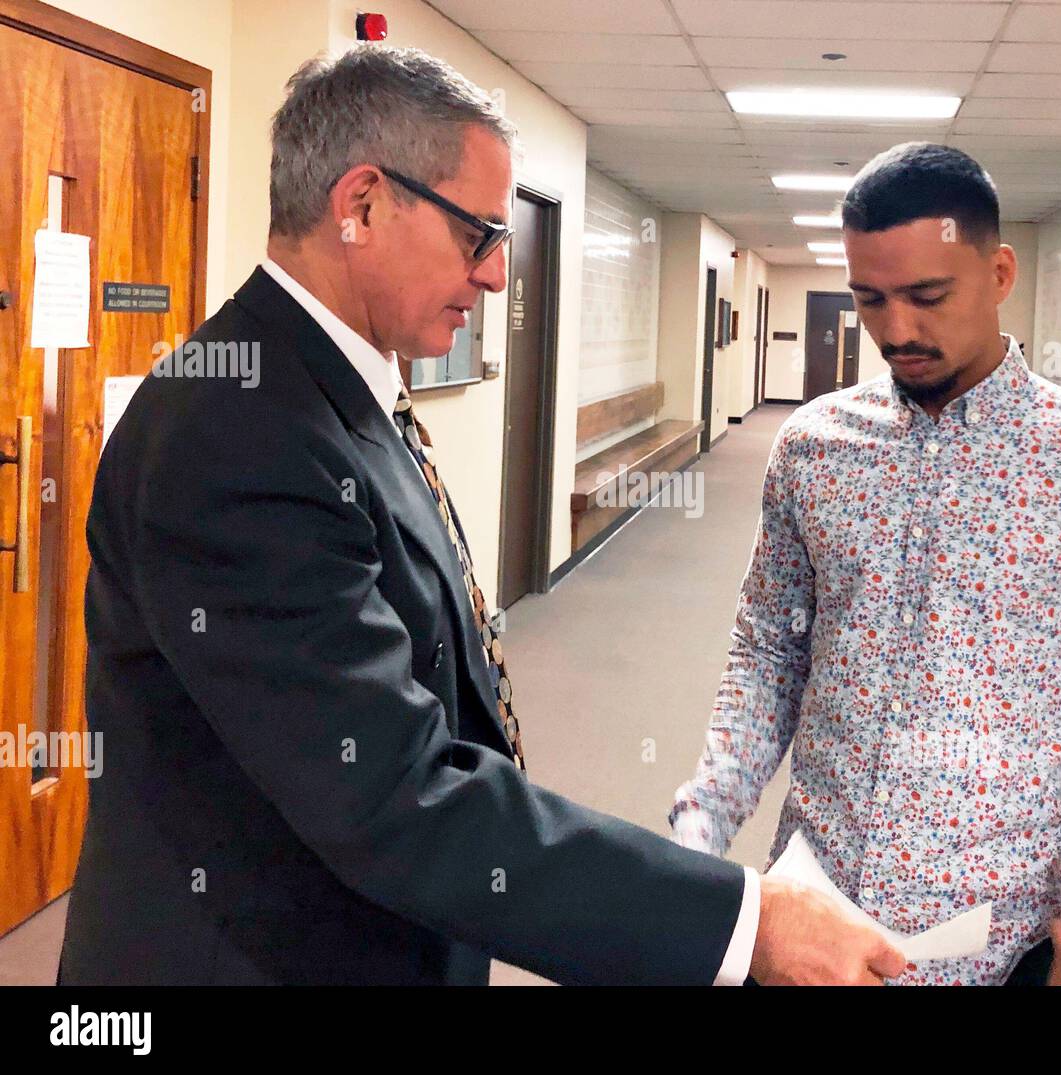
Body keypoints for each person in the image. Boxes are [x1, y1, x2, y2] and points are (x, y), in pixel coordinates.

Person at [56, 46, 906, 987]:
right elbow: (393, 790)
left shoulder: (335, 385)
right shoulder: (238, 431)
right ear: (364, 205)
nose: (498, 276)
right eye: (478, 235)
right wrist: (744, 921)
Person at [671, 141, 1061, 986]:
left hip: (994, 938)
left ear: (998, 274)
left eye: (927, 295)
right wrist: (696, 835)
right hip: (809, 921)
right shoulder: (812, 449)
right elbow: (768, 653)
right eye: (870, 298)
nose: (896, 329)